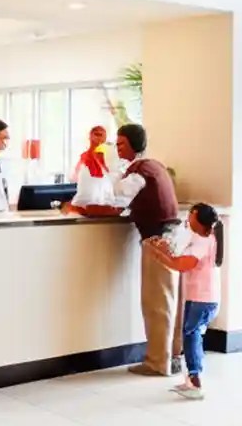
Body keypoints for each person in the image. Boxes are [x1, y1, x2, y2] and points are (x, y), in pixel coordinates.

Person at [71, 123, 184, 376]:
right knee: (170, 301)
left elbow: (119, 192)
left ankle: (157, 362)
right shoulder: (155, 166)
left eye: (121, 144)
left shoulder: (139, 172)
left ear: (134, 144)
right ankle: (173, 357)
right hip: (172, 236)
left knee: (156, 302)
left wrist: (109, 168)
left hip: (157, 240)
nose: (117, 149)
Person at [144, 203, 223, 400]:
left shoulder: (202, 243)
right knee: (190, 335)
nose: (188, 217)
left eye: (192, 215)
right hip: (199, 297)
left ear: (200, 220)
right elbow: (178, 250)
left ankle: (195, 382)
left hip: (203, 299)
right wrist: (164, 246)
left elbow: (180, 265)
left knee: (192, 336)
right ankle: (191, 379)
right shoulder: (201, 237)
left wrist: (157, 254)